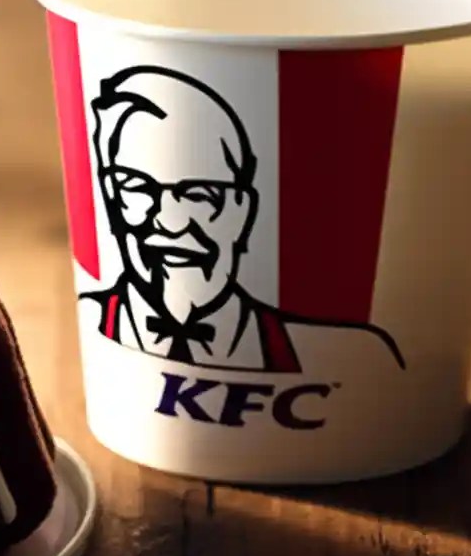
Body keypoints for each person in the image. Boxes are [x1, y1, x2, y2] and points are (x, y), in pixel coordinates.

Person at [77, 66, 403, 373]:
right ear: (109, 197)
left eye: (200, 194)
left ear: (242, 212)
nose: (171, 222)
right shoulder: (86, 324)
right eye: (136, 187)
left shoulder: (354, 357)